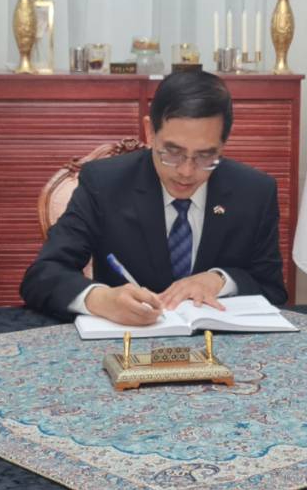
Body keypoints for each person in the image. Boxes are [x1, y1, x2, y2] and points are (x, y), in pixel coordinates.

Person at [20, 70, 287, 323]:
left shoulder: (254, 191)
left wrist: (222, 280)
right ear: (149, 132)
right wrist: (100, 299)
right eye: (172, 152)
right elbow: (43, 275)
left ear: (223, 145)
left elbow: (272, 289)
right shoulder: (104, 183)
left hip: (222, 351)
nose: (186, 171)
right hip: (125, 345)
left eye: (206, 155)